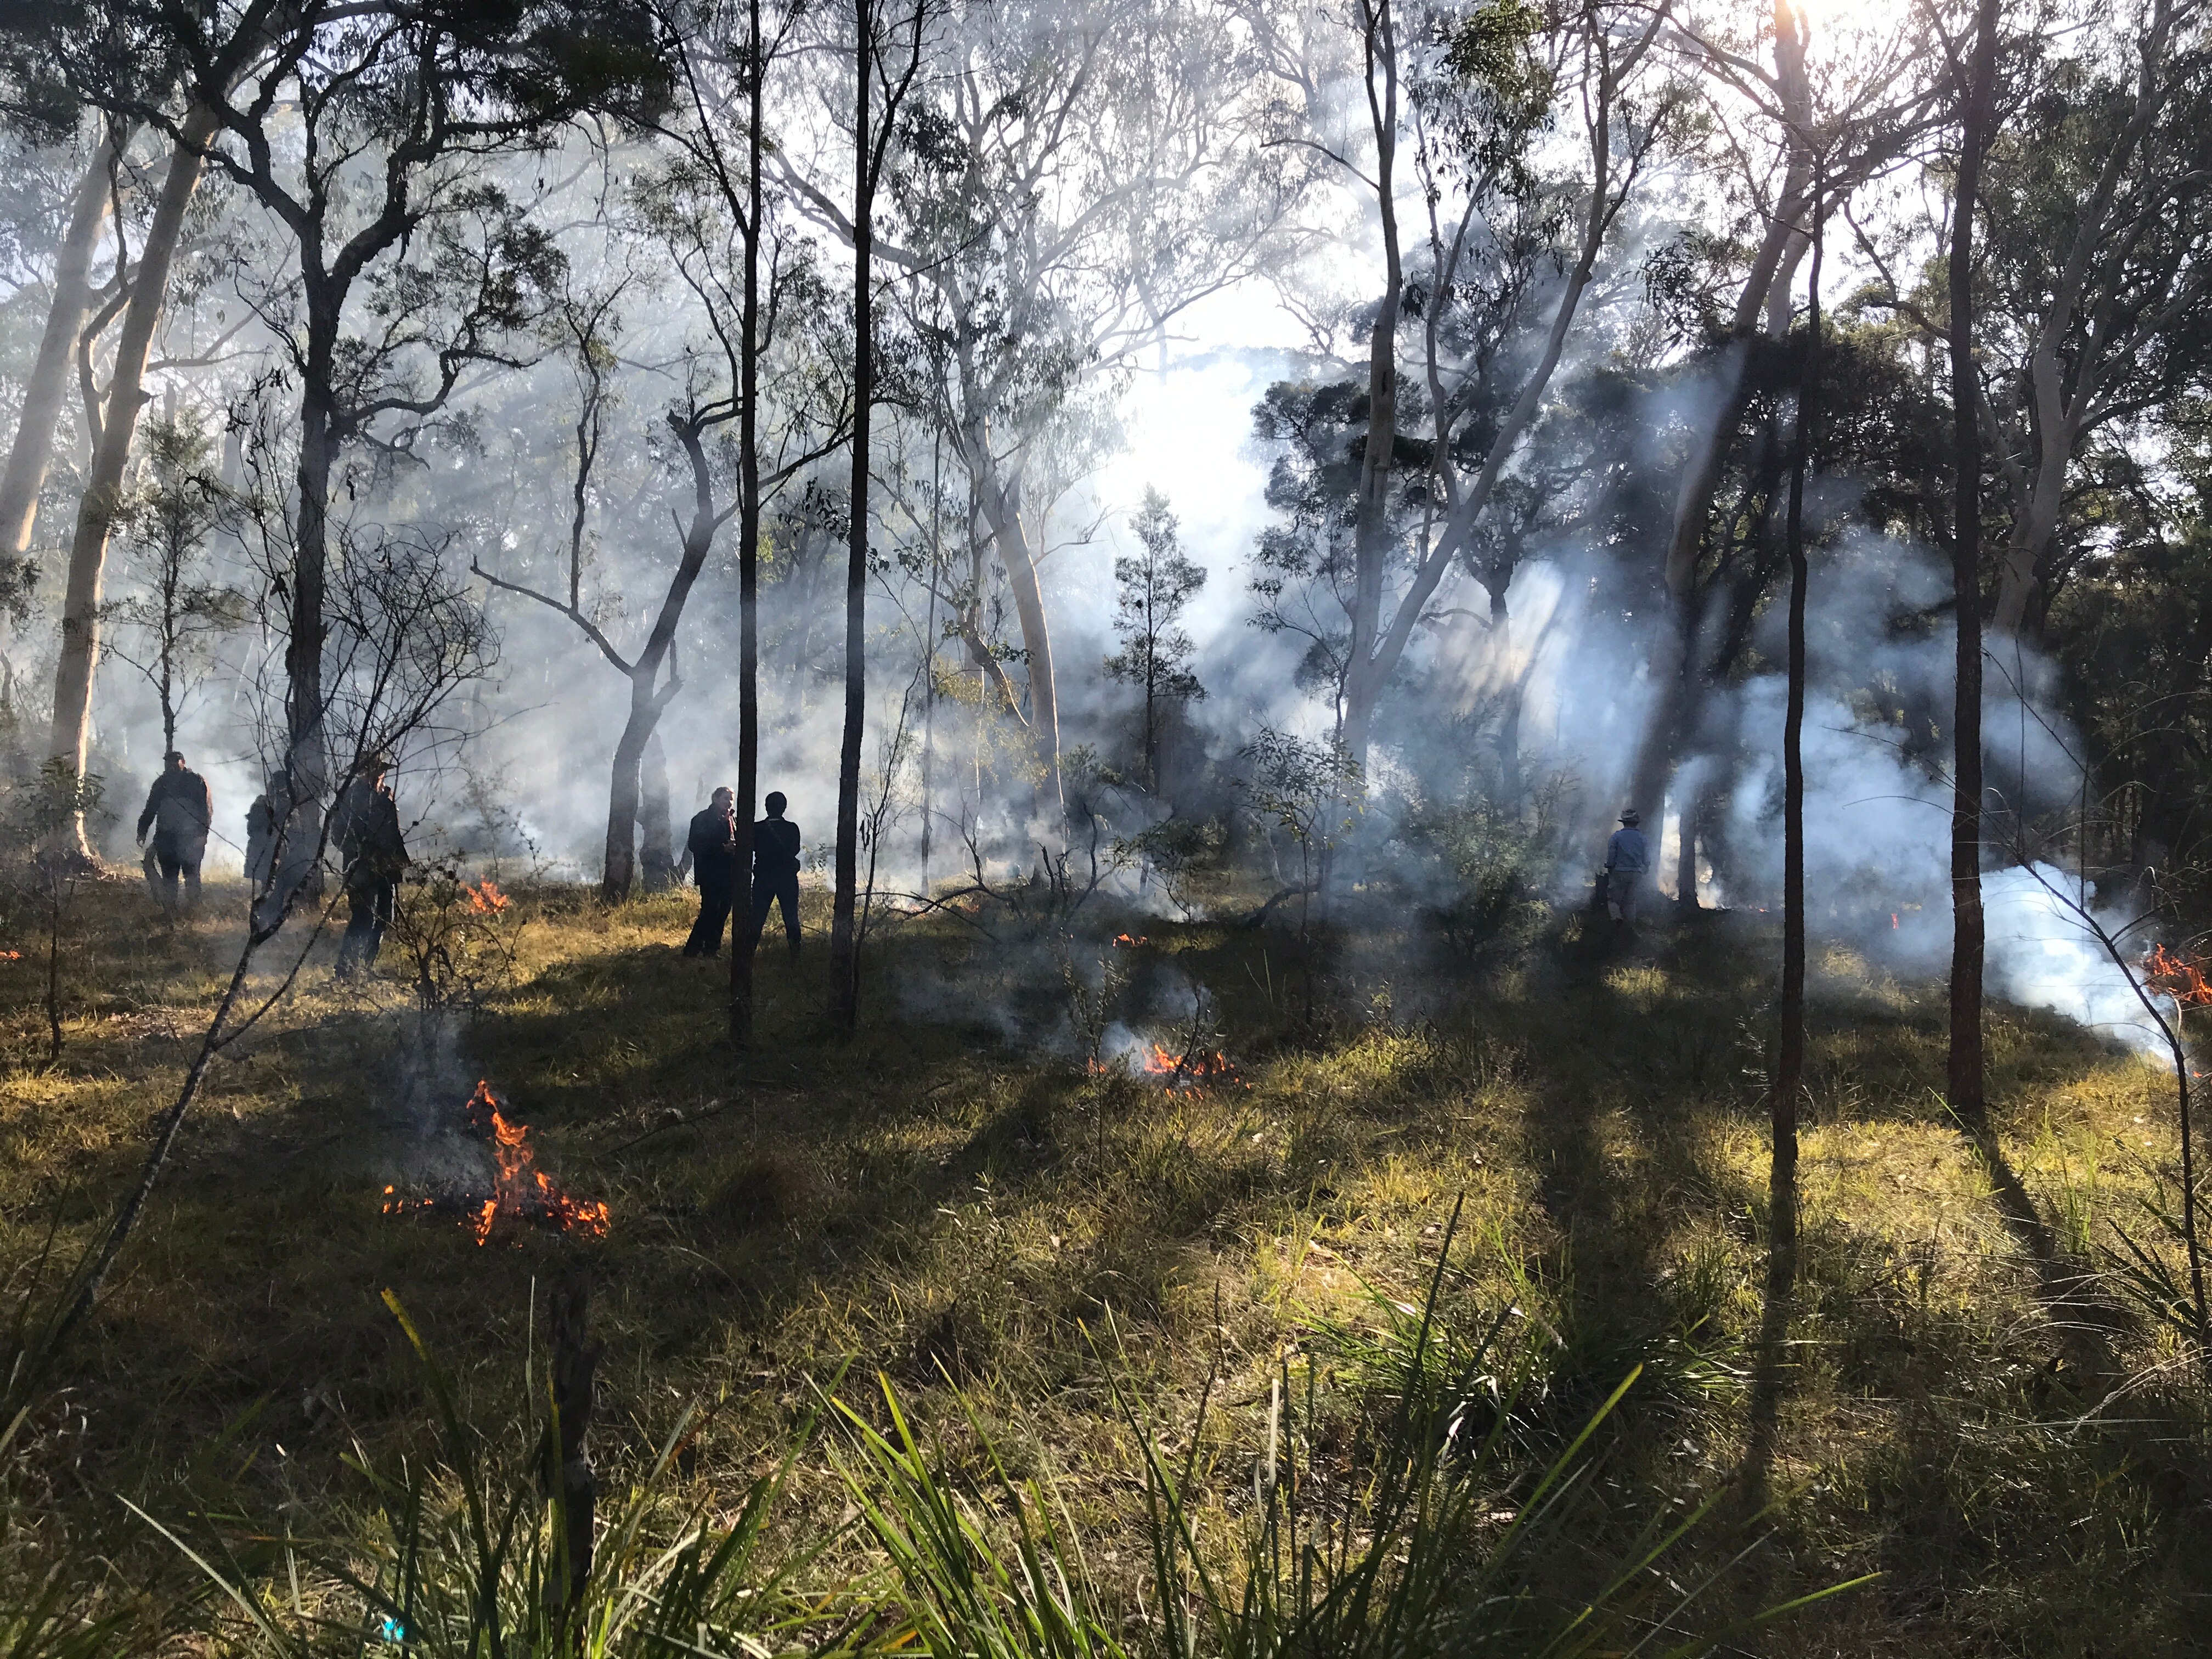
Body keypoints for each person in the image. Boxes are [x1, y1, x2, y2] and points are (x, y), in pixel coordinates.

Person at [334, 754, 408, 977]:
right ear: (362, 773)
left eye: (381, 771)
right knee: (364, 918)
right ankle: (345, 969)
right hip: (361, 869)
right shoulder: (349, 796)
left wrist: (396, 861)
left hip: (387, 867)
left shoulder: (386, 795)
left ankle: (365, 966)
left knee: (386, 917)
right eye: (374, 771)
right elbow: (338, 834)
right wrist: (359, 851)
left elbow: (393, 832)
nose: (379, 775)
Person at [136, 750, 212, 917]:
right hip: (166, 838)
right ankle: (170, 912)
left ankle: (194, 911)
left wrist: (203, 835)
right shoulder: (161, 784)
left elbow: (206, 811)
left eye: (175, 762)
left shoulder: (197, 782)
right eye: (168, 763)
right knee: (170, 877)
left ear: (183, 762)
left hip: (191, 839)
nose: (171, 766)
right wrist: (142, 830)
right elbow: (151, 809)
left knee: (192, 876)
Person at [682, 786, 739, 957]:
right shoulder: (701, 819)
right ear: (715, 799)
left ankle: (712, 949)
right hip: (710, 874)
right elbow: (695, 844)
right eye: (725, 798)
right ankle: (692, 949)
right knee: (710, 911)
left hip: (729, 874)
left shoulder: (733, 820)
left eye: (731, 799)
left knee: (723, 911)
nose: (728, 802)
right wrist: (722, 848)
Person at [748, 791, 802, 959]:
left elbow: (751, 848)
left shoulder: (756, 828)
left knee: (757, 916)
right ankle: (795, 952)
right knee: (791, 915)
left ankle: (748, 953)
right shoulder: (792, 828)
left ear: (766, 807)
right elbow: (795, 850)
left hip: (763, 877)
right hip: (787, 877)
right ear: (784, 808)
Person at [244, 767, 291, 891]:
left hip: (283, 852)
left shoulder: (290, 804)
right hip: (265, 851)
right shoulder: (262, 803)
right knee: (268, 885)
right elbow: (252, 830)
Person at [1604, 808, 1650, 929]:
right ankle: (1629, 927)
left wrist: (1610, 868)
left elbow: (1611, 857)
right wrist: (1646, 868)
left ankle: (1617, 920)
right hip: (1636, 873)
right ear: (1636, 823)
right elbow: (1647, 858)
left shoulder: (1616, 837)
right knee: (1630, 901)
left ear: (1624, 822)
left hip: (1619, 872)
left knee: (1613, 900)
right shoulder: (1643, 838)